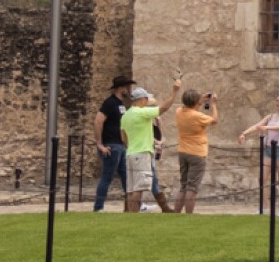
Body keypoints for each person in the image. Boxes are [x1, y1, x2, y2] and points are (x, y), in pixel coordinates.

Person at [120, 79, 181, 213]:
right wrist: (174, 91)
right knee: (138, 189)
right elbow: (163, 108)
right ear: (141, 99)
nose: (147, 101)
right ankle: (134, 217)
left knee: (131, 189)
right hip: (142, 153)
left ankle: (130, 216)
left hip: (130, 153)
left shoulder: (125, 116)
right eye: (146, 98)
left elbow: (124, 138)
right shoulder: (141, 112)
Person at [239, 95, 279, 214]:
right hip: (268, 150)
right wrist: (244, 134)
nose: (277, 103)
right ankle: (264, 207)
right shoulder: (271, 116)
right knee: (262, 178)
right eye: (276, 100)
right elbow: (257, 125)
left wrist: (266, 128)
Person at [174, 88, 218, 214]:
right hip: (197, 153)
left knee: (183, 186)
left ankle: (175, 213)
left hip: (183, 151)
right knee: (192, 188)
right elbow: (214, 120)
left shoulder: (179, 112)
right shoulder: (198, 116)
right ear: (195, 102)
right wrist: (213, 104)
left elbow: (191, 110)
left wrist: (199, 101)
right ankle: (189, 215)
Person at [92, 75, 132, 212]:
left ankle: (132, 206)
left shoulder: (121, 104)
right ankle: (98, 207)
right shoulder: (110, 103)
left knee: (126, 177)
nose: (129, 89)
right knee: (107, 176)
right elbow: (98, 121)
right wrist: (100, 143)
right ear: (121, 88)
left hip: (119, 145)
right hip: (111, 145)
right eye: (127, 86)